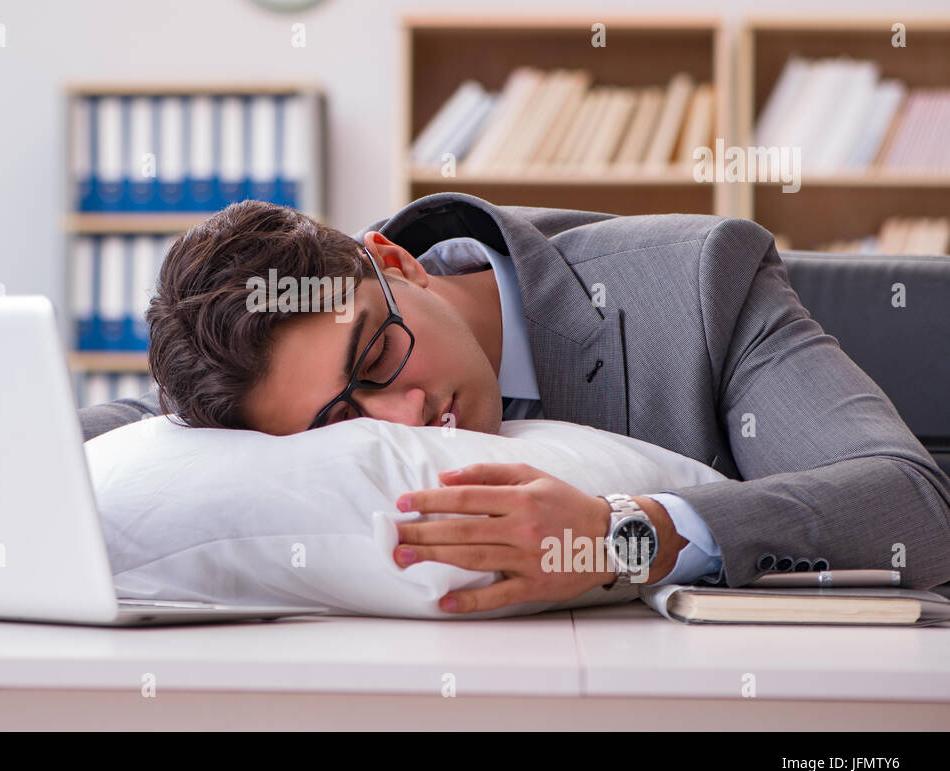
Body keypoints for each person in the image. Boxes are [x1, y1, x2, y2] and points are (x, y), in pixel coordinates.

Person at [78, 193, 950, 612]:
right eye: (343, 422)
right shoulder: (288, 368)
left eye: (378, 354)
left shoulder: (700, 283)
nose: (406, 412)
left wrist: (623, 532)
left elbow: (913, 500)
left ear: (399, 261)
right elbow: (125, 430)